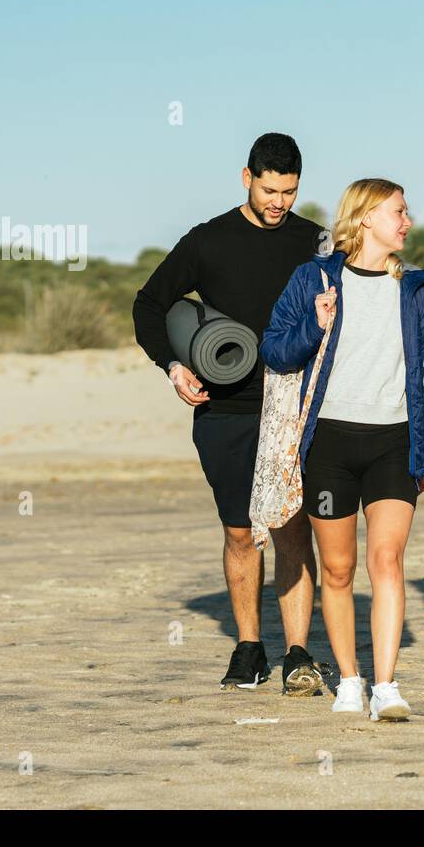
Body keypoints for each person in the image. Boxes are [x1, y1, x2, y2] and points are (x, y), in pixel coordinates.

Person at [132, 133, 329, 695]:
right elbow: (149, 303)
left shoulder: (313, 241)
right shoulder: (207, 240)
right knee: (241, 530)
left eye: (289, 192)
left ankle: (297, 652)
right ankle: (249, 647)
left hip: (293, 405)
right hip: (225, 408)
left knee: (291, 526)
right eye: (270, 190)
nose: (279, 203)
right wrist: (172, 364)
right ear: (247, 177)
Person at [260, 178, 424, 721]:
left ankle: (386, 686)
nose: (407, 222)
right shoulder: (313, 277)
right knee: (338, 571)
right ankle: (349, 680)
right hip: (330, 444)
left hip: (395, 440)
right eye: (398, 212)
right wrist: (313, 327)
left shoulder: (414, 288)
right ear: (364, 218)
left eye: (406, 212)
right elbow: (275, 349)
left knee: (386, 560)